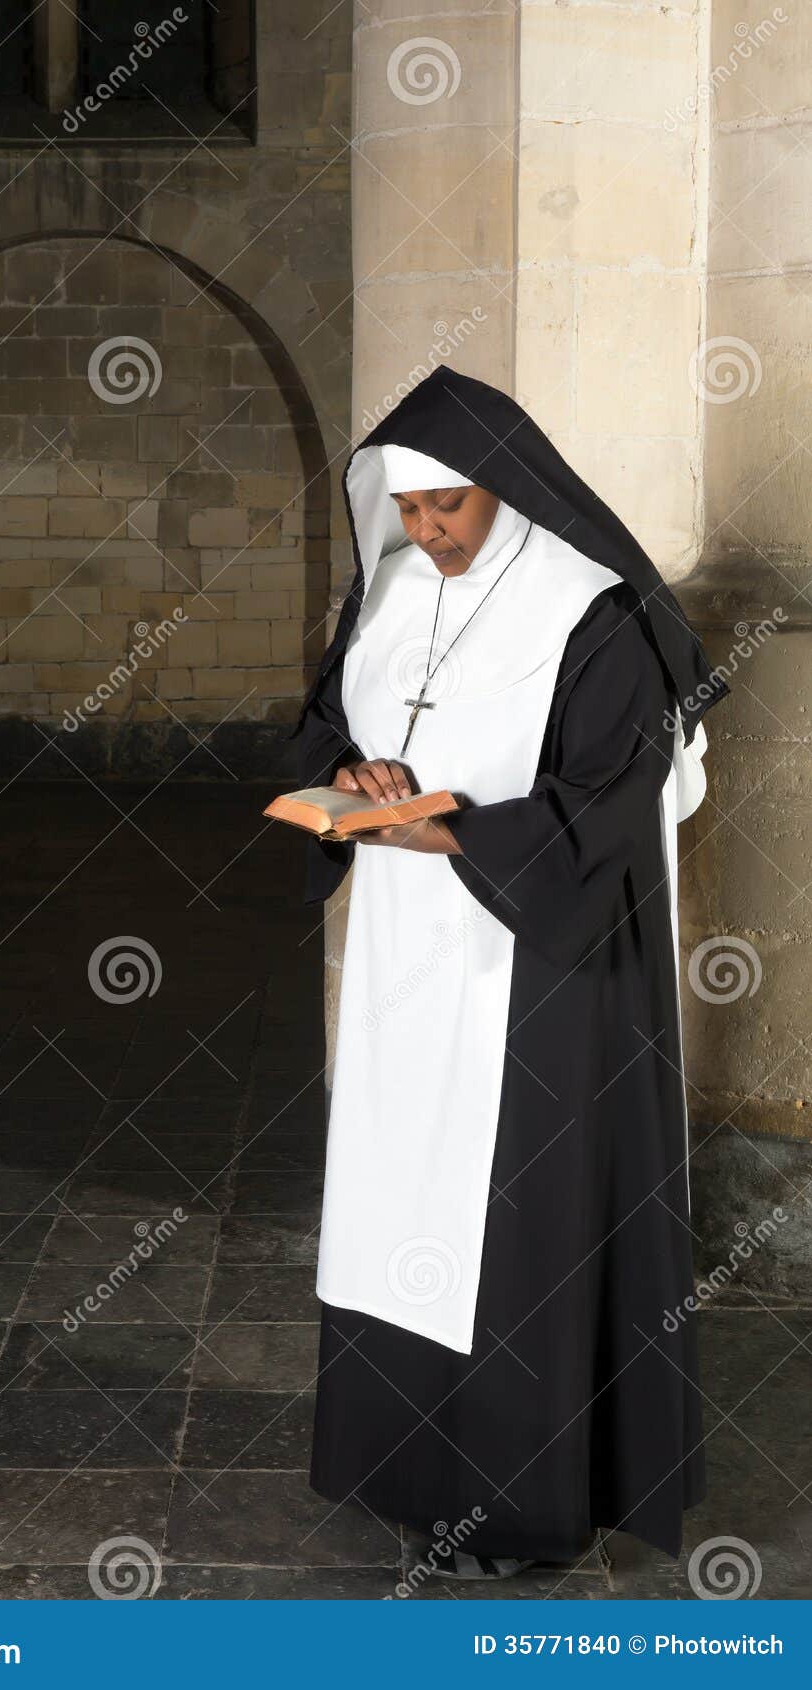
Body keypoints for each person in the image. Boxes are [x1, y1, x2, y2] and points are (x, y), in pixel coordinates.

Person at [285, 363, 728, 1579]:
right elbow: (331, 719)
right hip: (404, 960)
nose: (427, 535)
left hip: (540, 972)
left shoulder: (593, 617)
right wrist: (363, 775)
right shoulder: (387, 593)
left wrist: (457, 831)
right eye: (411, 511)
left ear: (509, 491)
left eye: (450, 510)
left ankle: (523, 1505)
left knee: (512, 1219)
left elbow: (613, 799)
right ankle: (403, 1465)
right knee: (399, 1188)